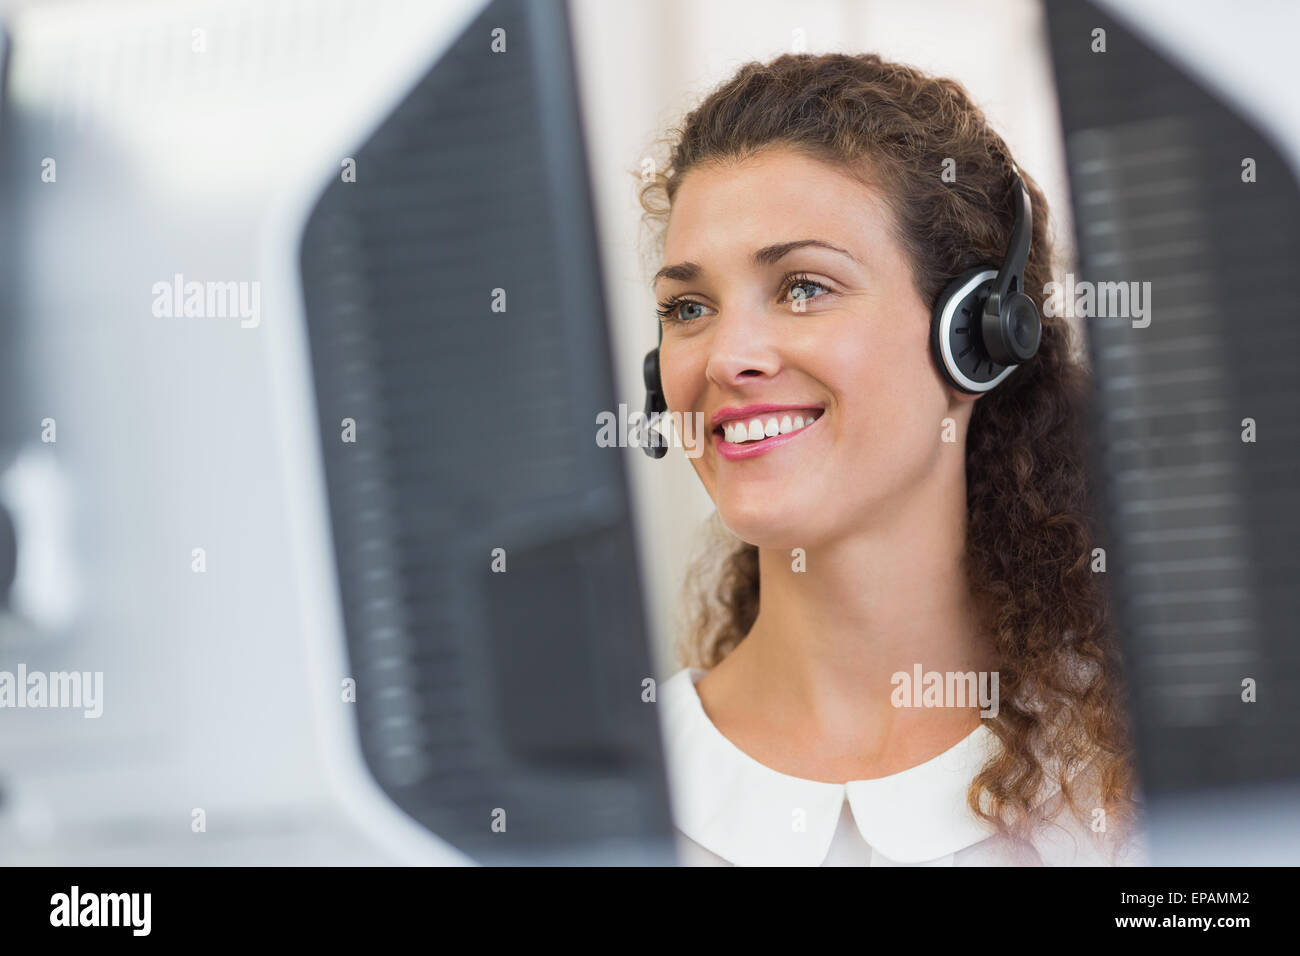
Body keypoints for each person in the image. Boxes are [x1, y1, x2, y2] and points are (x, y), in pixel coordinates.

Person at [638, 52, 1147, 866]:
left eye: (804, 286)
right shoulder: (583, 796)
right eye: (688, 308)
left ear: (975, 337)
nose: (726, 358)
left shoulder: (1152, 784)